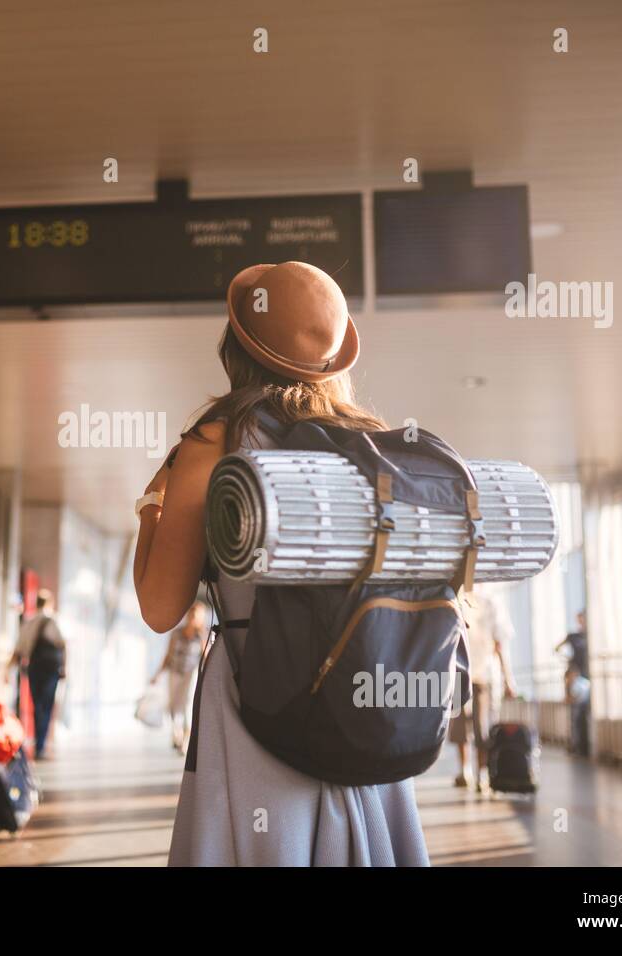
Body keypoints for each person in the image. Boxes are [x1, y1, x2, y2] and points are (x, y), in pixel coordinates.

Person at [135, 260, 429, 866]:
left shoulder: (216, 441)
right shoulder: (370, 442)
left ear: (235, 347)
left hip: (255, 705)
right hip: (363, 700)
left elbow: (160, 608)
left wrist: (151, 505)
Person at [449, 585, 518, 791]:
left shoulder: (488, 601)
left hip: (479, 673)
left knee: (480, 727)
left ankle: (478, 772)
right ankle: (470, 771)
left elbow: (499, 644)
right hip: (462, 673)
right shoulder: (458, 598)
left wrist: (508, 678)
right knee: (466, 725)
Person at [9, 589, 66, 760]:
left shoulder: (29, 621)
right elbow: (62, 645)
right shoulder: (53, 621)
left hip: (34, 667)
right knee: (47, 706)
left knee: (37, 706)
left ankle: (38, 743)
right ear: (49, 603)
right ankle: (40, 745)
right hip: (51, 669)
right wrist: (64, 667)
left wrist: (7, 669)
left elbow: (19, 649)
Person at [152, 600, 207, 753]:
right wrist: (157, 674)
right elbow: (168, 655)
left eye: (196, 615)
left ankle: (185, 741)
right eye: (191, 613)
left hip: (191, 673)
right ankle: (176, 734)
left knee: (187, 705)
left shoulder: (202, 635)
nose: (192, 617)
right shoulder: (176, 633)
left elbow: (206, 657)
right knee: (173, 705)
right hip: (175, 672)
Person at [556, 610, 590, 756]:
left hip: (587, 677)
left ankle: (584, 745)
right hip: (576, 677)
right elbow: (557, 648)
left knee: (583, 713)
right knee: (576, 713)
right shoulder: (574, 636)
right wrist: (567, 659)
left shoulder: (590, 636)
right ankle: (577, 745)